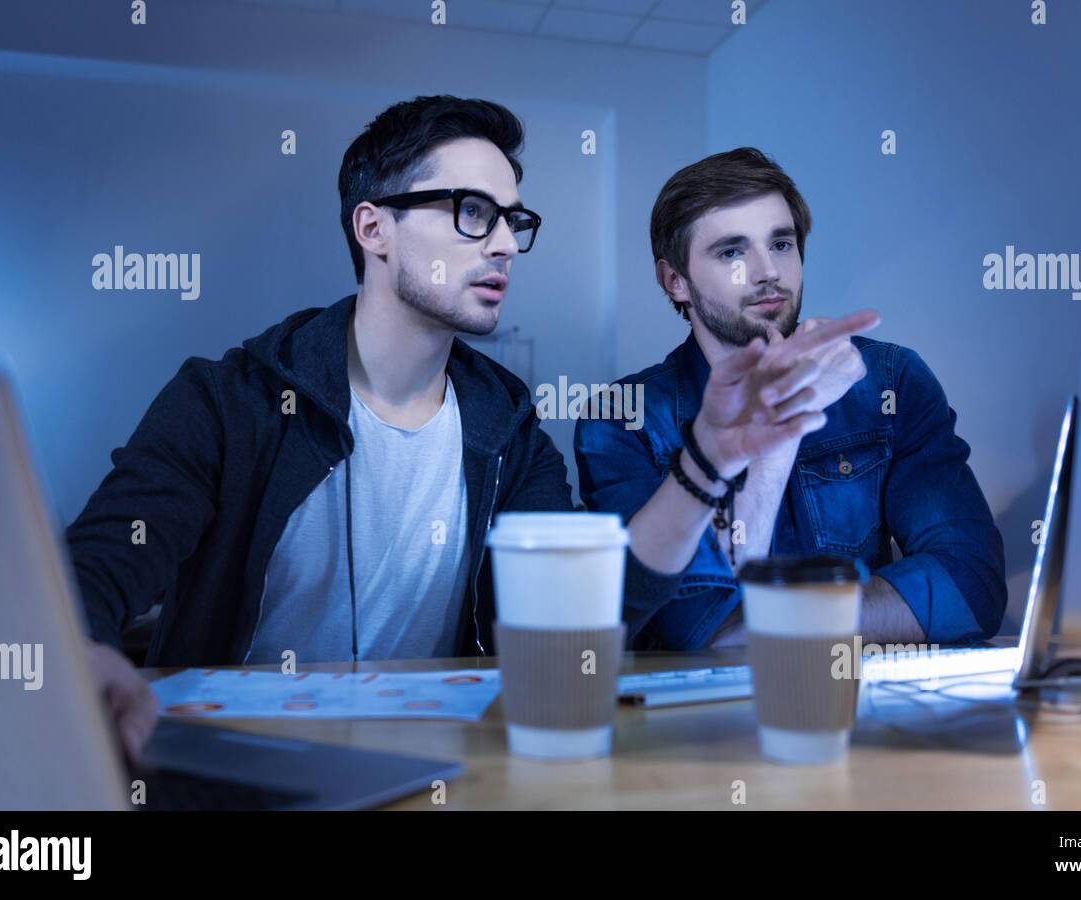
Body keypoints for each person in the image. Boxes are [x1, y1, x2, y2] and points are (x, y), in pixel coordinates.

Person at [66, 95, 675, 747]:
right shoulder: (228, 401)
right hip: (238, 768)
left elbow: (574, 614)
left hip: (446, 771)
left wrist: (711, 459)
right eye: (473, 212)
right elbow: (95, 567)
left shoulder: (510, 430)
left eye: (513, 220)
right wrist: (80, 647)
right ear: (373, 228)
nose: (505, 244)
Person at [574, 147, 1007, 650]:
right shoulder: (621, 418)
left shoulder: (889, 380)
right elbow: (684, 627)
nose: (767, 272)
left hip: (849, 703)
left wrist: (774, 623)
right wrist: (781, 433)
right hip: (694, 722)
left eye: (781, 243)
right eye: (732, 252)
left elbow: (969, 585)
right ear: (676, 282)